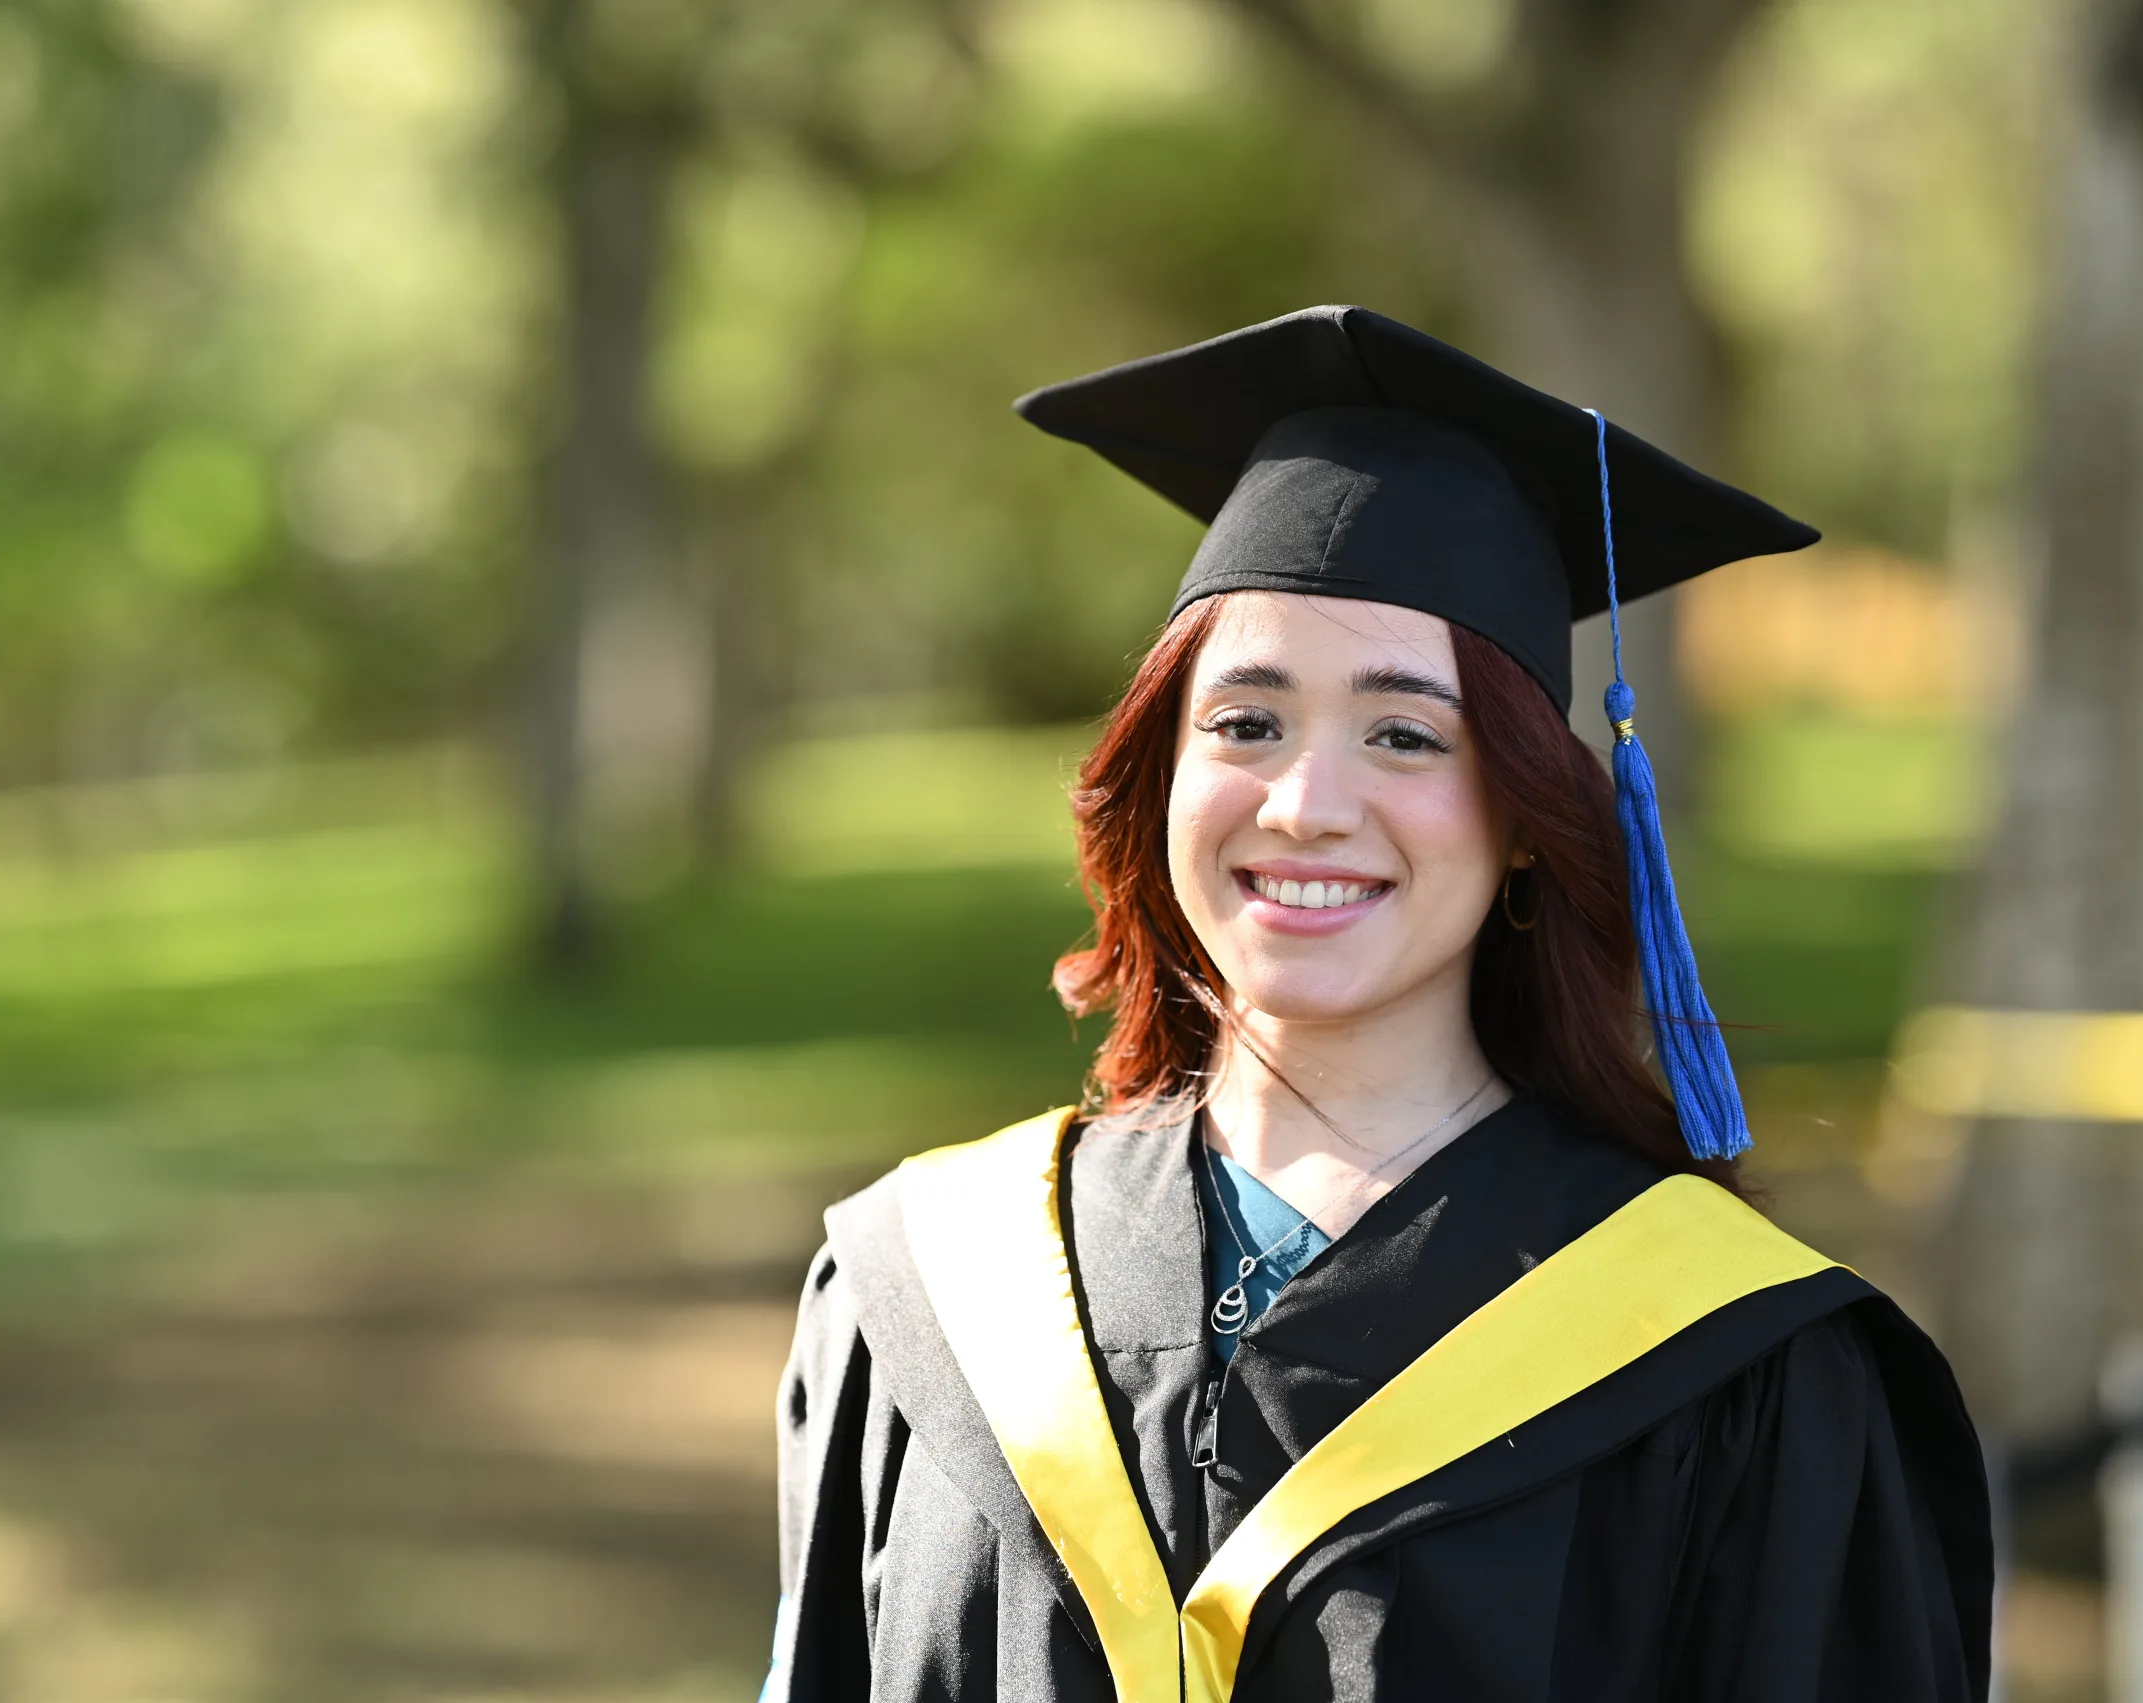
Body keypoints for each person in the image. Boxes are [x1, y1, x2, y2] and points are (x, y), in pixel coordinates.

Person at [762, 308, 1991, 1703]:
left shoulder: (1731, 1371)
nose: (1306, 805)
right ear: (1160, 767)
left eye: (1405, 732)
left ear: (1527, 814)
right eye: (1246, 721)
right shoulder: (925, 1294)